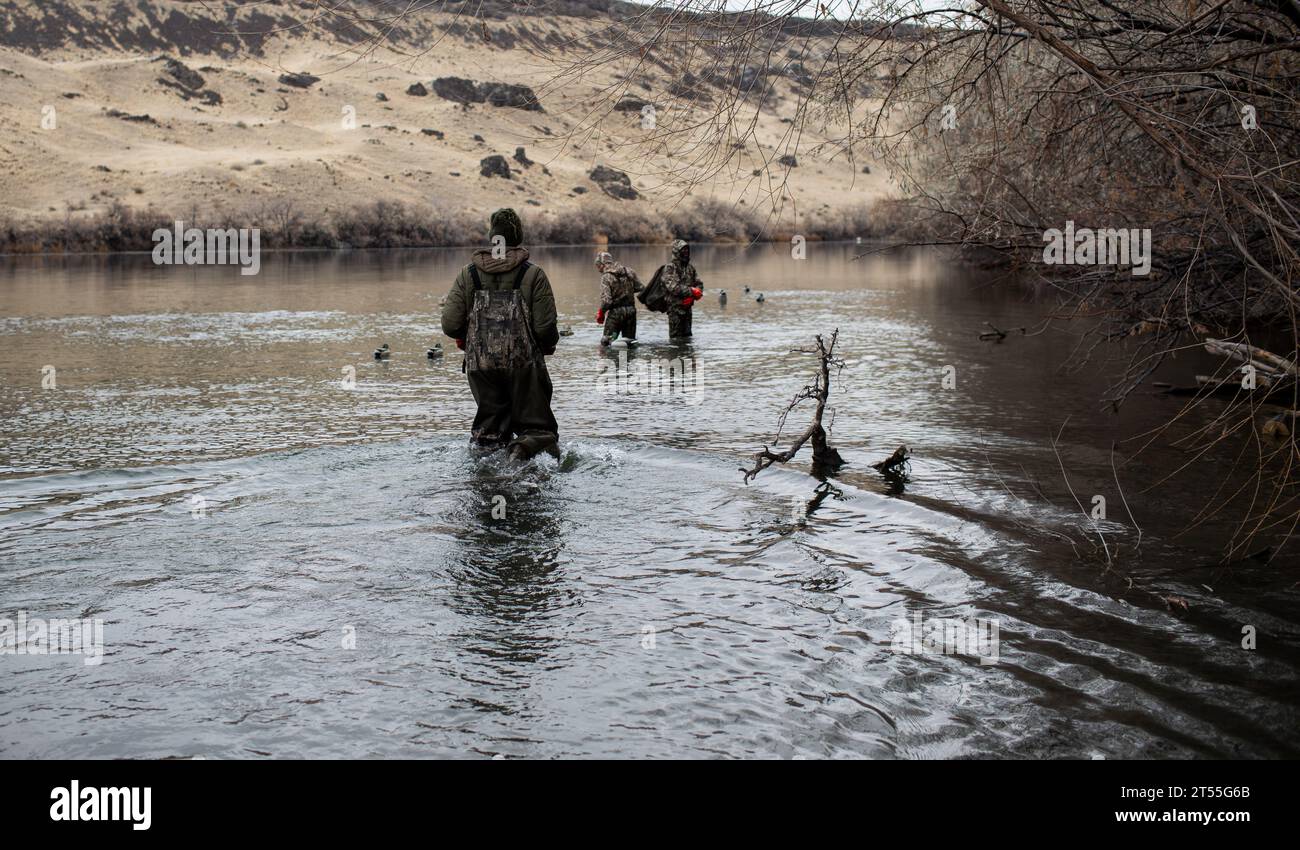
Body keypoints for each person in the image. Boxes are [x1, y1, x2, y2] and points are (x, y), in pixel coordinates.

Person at [441, 208, 560, 460]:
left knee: (488, 435)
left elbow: (450, 325)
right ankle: (521, 450)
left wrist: (471, 337)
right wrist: (546, 345)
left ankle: (487, 471)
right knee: (537, 428)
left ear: (491, 237)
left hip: (481, 366)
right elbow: (545, 329)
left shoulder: (468, 274)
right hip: (523, 364)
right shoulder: (533, 274)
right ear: (518, 237)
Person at [594, 251, 643, 347]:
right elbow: (640, 287)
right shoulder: (629, 271)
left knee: (606, 343)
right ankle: (628, 361)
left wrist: (601, 312)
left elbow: (607, 301)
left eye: (598, 266)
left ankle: (609, 360)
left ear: (602, 264)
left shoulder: (606, 277)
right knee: (630, 343)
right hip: (631, 312)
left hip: (616, 315)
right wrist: (625, 289)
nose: (598, 269)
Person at [660, 239, 703, 340]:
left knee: (688, 338)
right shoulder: (670, 268)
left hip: (688, 310)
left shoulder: (690, 268)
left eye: (687, 250)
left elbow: (699, 284)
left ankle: (686, 356)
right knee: (676, 340)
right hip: (675, 310)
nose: (686, 252)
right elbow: (673, 288)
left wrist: (693, 297)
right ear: (676, 251)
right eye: (683, 250)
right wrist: (691, 291)